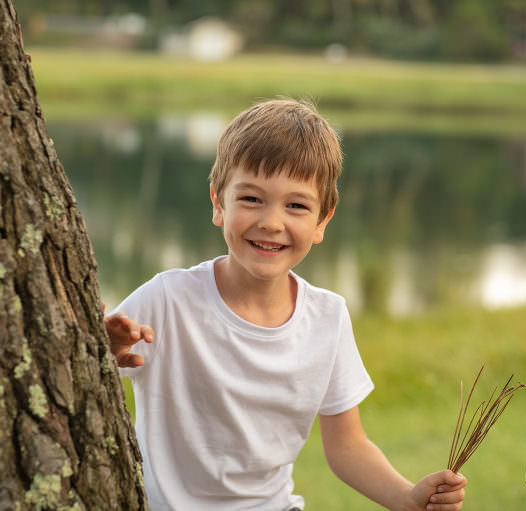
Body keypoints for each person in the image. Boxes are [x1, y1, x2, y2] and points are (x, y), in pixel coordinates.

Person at [104, 99, 467, 511]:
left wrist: (406, 497)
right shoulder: (167, 299)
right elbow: (93, 359)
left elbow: (347, 446)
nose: (271, 222)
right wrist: (108, 346)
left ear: (321, 222)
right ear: (218, 203)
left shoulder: (328, 318)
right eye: (252, 199)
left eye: (296, 205)